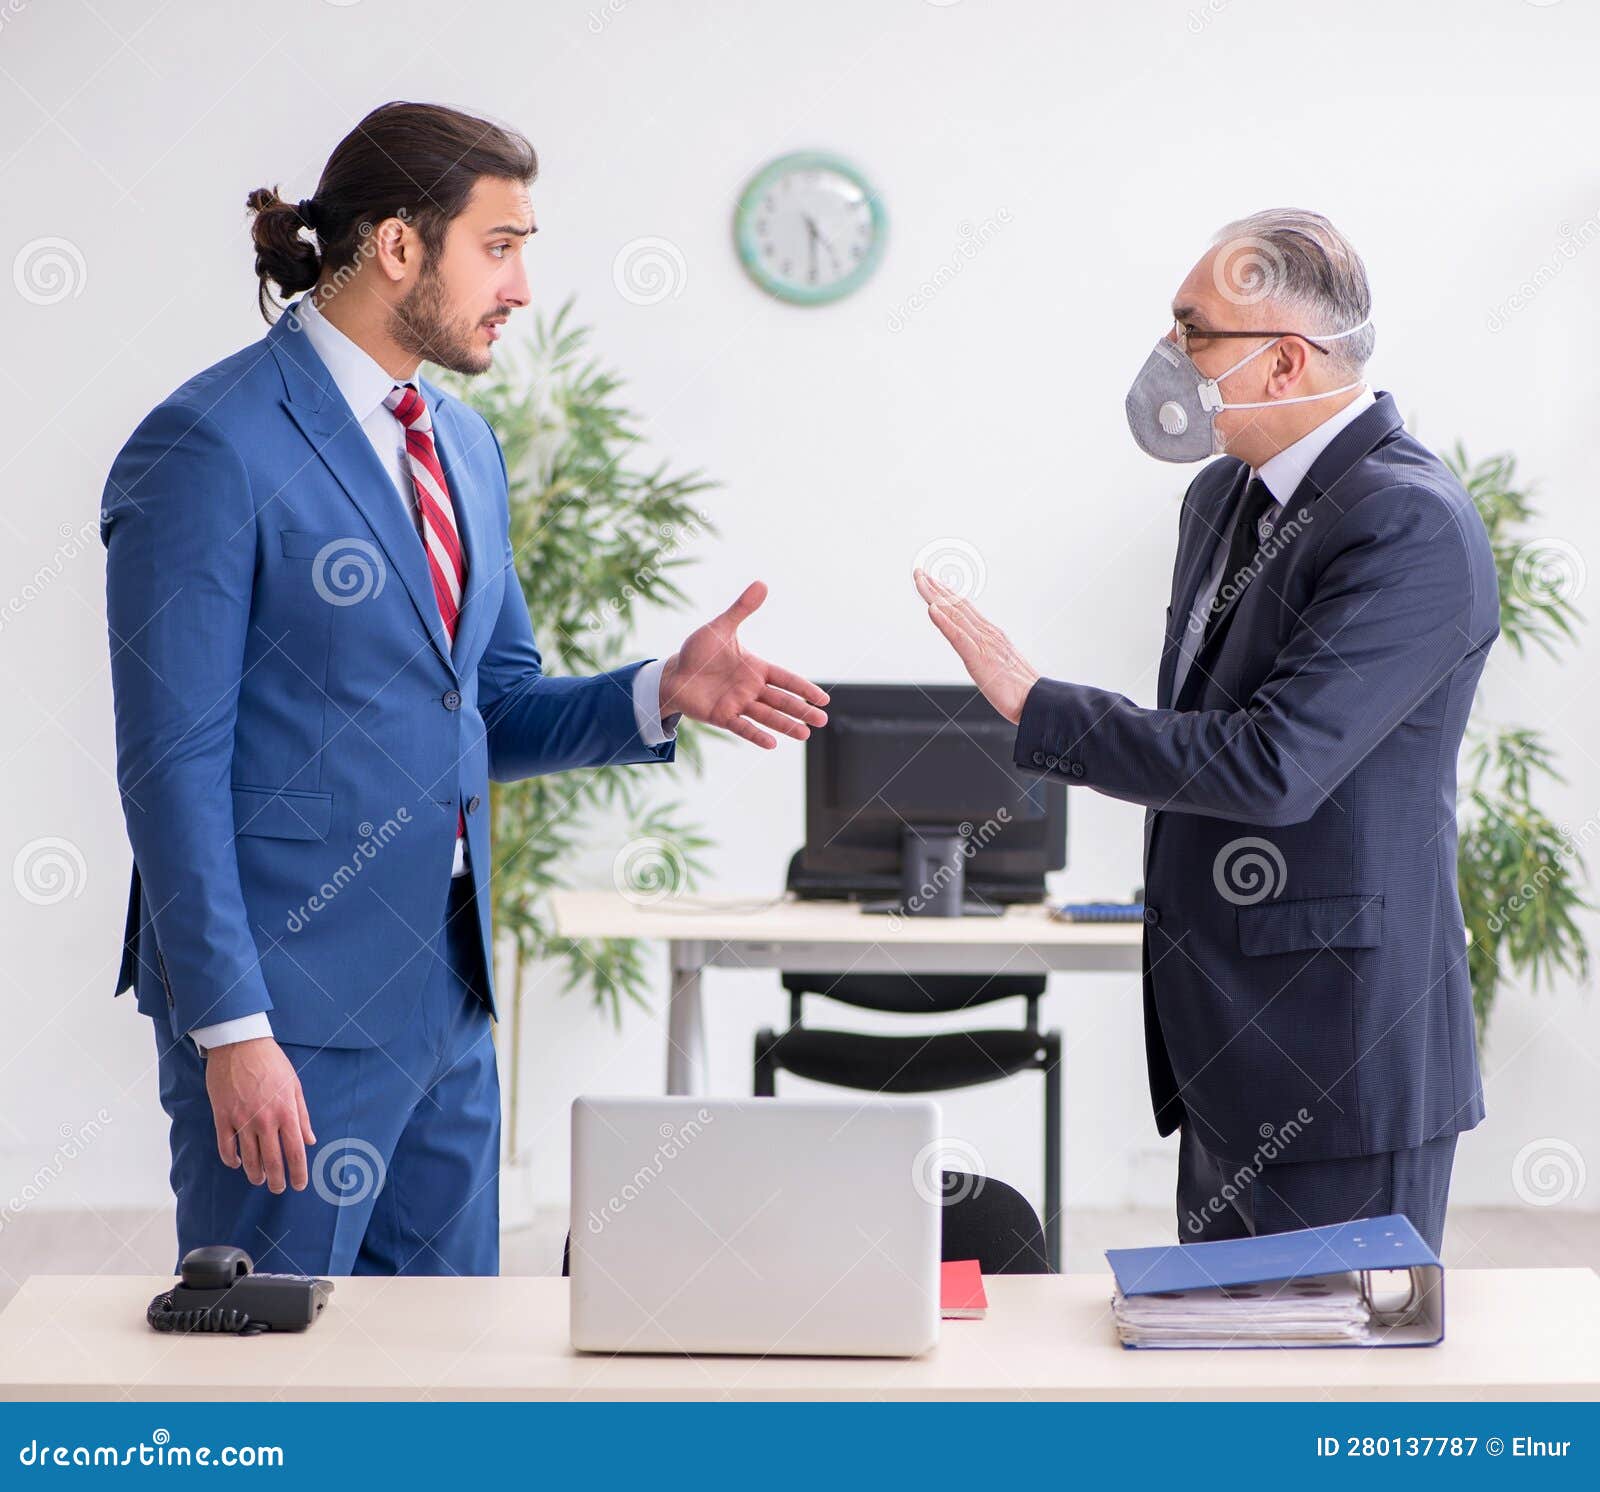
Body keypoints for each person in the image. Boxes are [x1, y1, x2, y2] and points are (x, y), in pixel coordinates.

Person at [102, 100, 828, 1277]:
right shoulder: (210, 444)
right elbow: (168, 766)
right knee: (274, 1354)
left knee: (454, 1353)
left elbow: (481, 709)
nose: (522, 288)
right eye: (499, 246)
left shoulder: (462, 445)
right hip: (287, 1008)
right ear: (398, 244)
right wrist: (231, 1026)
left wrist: (660, 690)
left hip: (448, 994)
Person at [915, 209, 1497, 1255]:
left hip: (1339, 1056)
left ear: (1284, 360)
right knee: (1217, 1342)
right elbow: (1205, 732)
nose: (1169, 354)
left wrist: (1040, 704)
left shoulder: (1409, 522)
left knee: (1320, 1353)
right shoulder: (1222, 498)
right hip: (1225, 1044)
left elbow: (1275, 765)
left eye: (1193, 328)